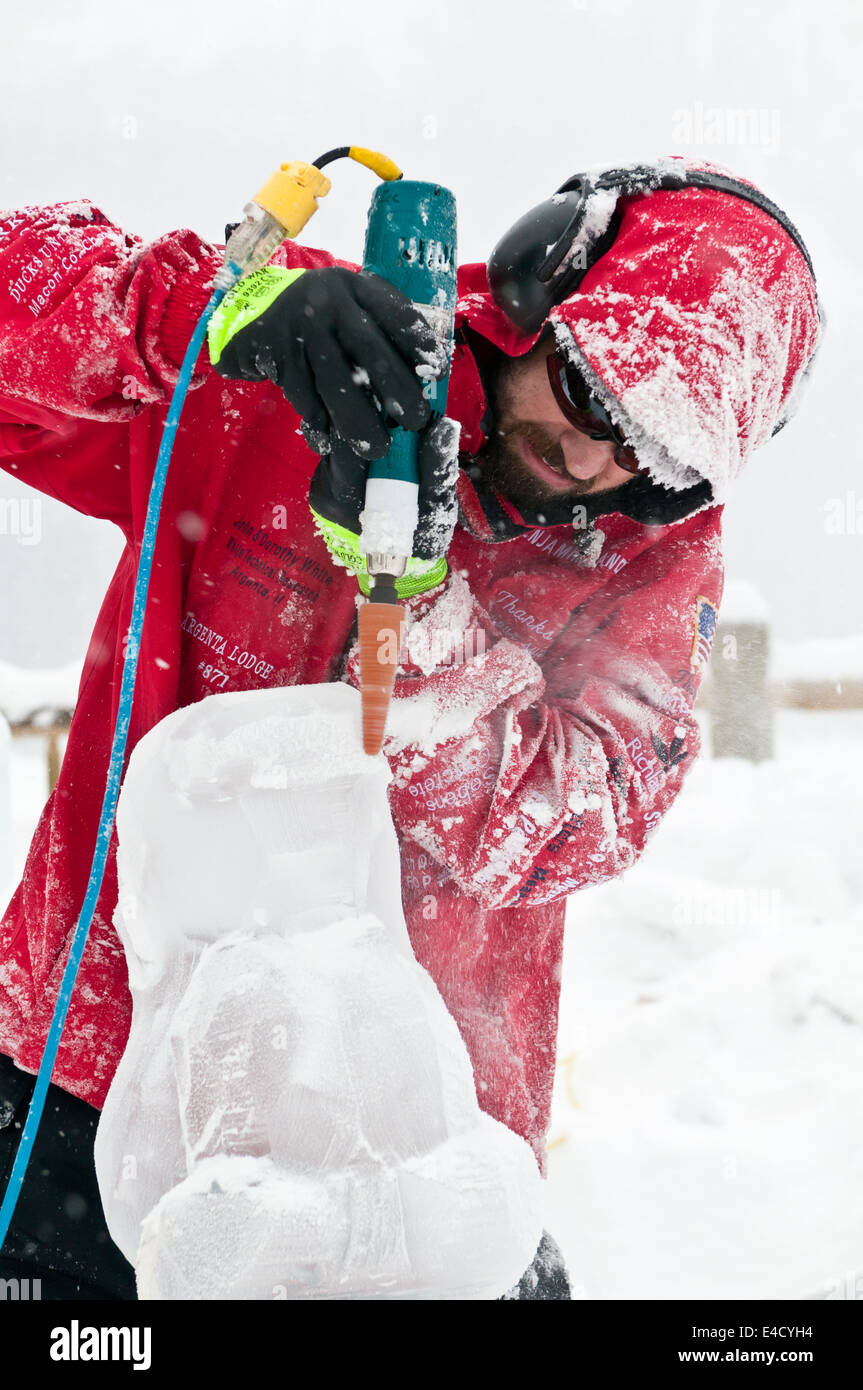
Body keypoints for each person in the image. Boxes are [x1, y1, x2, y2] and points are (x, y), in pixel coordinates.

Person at [0, 157, 820, 1300]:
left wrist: (425, 606)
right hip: (95, 1078)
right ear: (549, 276)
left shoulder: (650, 559)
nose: (595, 463)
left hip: (418, 1142)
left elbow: (577, 818)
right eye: (590, 395)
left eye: (658, 457)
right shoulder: (295, 357)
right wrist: (215, 312)